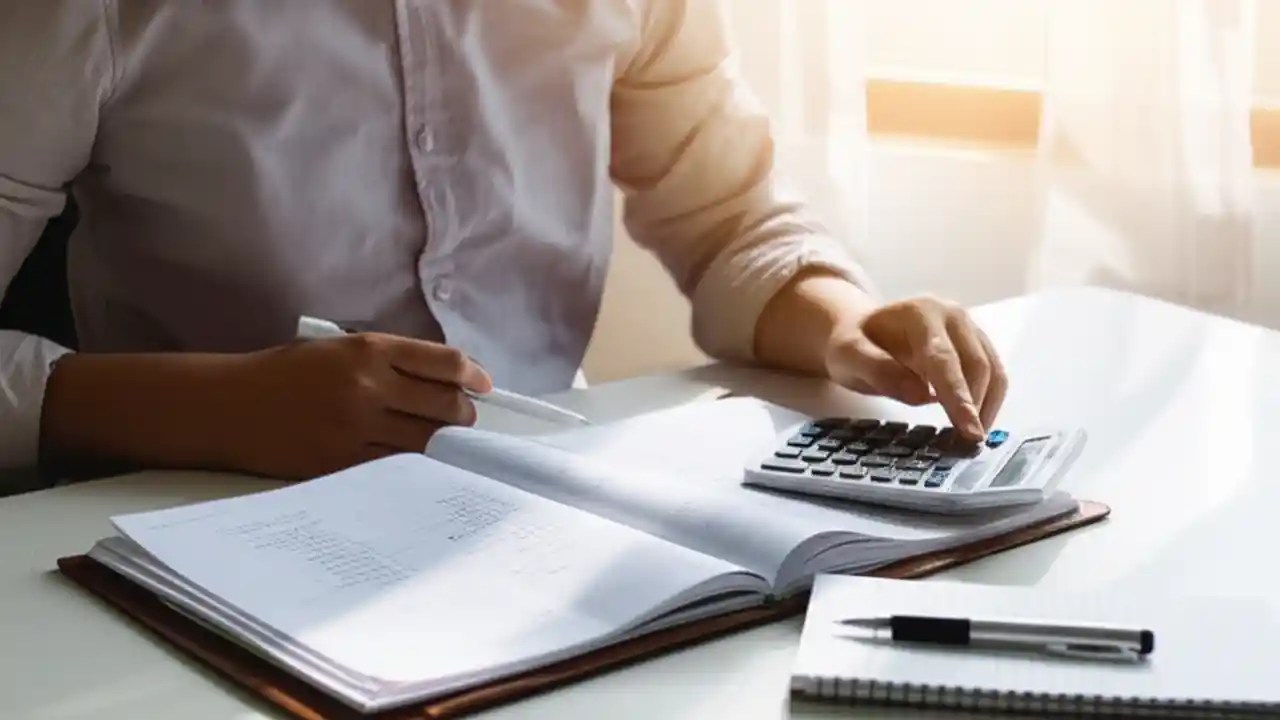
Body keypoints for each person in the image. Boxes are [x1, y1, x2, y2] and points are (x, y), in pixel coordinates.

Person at [0, 1, 1006, 487]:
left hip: (534, 519)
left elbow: (728, 219)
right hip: (183, 526)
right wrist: (222, 408)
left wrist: (845, 319)